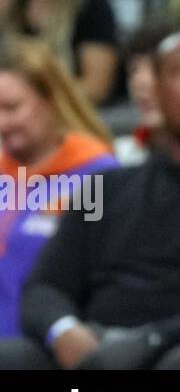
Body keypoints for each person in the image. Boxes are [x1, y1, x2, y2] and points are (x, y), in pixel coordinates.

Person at [0, 28, 180, 370]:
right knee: (11, 358)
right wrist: (63, 330)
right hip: (95, 343)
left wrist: (153, 339)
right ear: (154, 93)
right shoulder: (105, 185)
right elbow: (45, 285)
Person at [0, 39, 117, 338]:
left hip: (38, 348)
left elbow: (103, 275)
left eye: (12, 107)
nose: (2, 122)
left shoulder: (96, 176)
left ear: (51, 100)